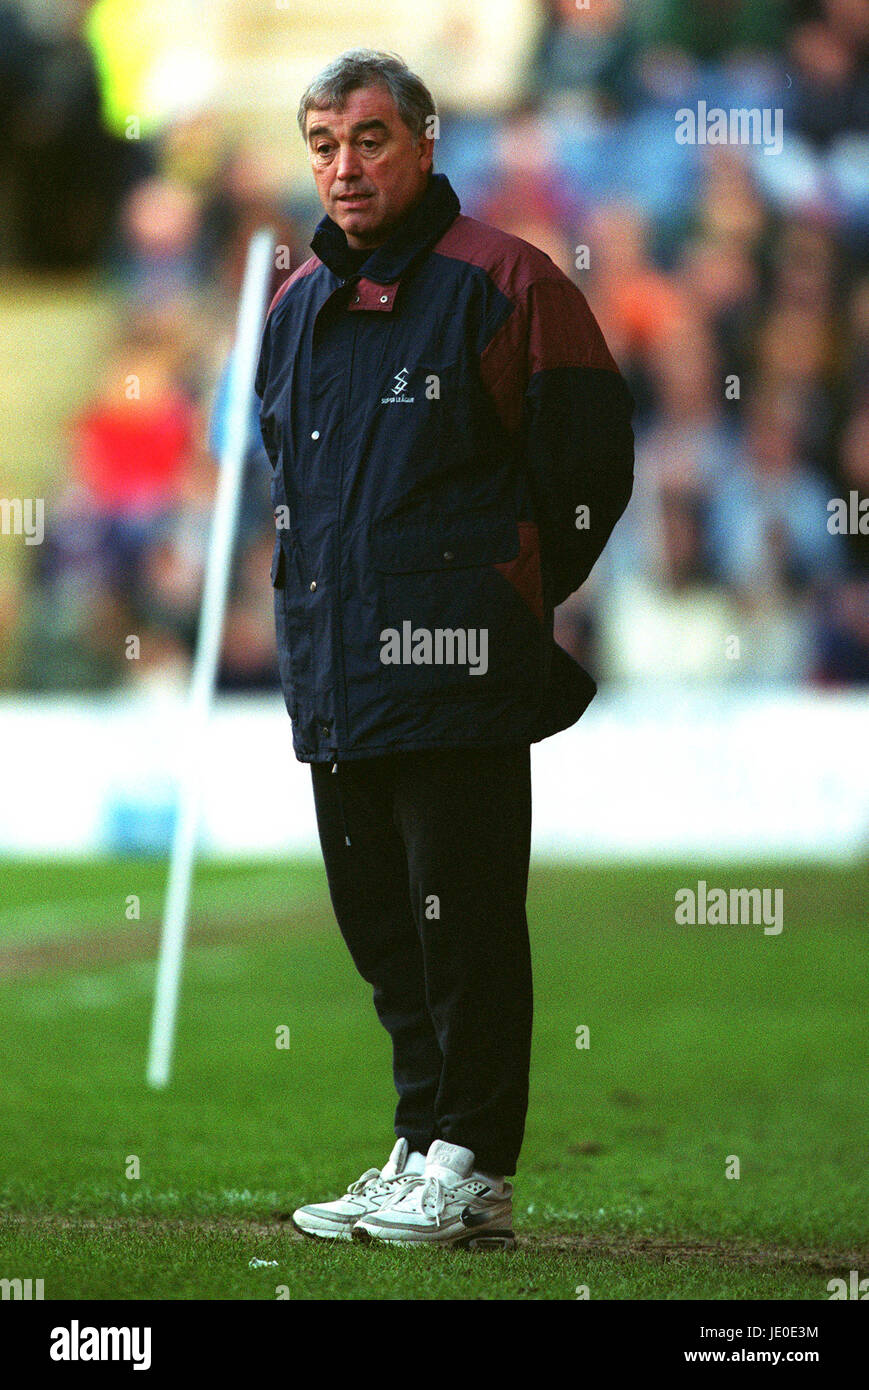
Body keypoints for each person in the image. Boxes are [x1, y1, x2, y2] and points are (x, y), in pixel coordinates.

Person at [254, 49, 634, 1248]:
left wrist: (502, 598)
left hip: (456, 667)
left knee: (461, 921)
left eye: (368, 139)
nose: (343, 167)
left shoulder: (506, 280)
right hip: (334, 667)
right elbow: (292, 484)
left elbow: (588, 468)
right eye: (322, 145)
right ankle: (420, 1142)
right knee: (380, 927)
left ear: (422, 140)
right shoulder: (294, 308)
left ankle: (474, 1165)